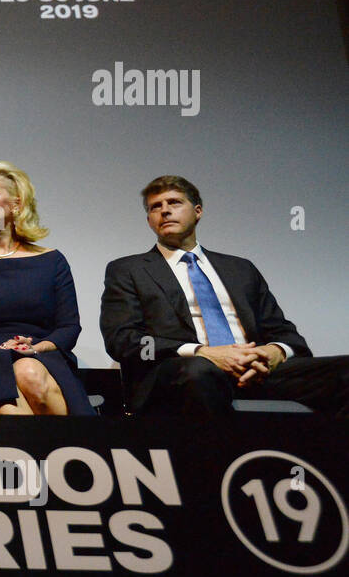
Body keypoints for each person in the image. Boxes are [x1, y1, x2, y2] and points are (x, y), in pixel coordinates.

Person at [100, 175, 348, 415]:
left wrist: (273, 352)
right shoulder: (128, 270)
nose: (164, 211)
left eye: (174, 202)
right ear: (149, 220)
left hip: (256, 371)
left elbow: (287, 335)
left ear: (198, 211)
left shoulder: (240, 269)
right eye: (156, 207)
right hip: (183, 373)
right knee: (199, 372)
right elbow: (124, 340)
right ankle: (217, 456)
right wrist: (202, 352)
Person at [0, 161, 95, 415]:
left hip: (40, 354)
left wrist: (33, 348)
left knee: (29, 371)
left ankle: (68, 448)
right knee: (0, 368)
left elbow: (68, 327)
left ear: (16, 204)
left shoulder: (51, 261)